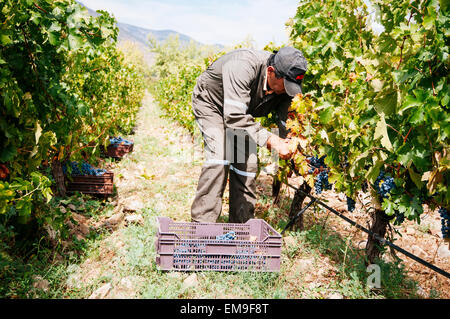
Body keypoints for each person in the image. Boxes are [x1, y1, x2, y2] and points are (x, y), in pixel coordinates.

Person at [190, 46, 308, 223]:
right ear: (271, 71)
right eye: (286, 85)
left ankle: (241, 227)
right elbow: (235, 118)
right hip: (212, 103)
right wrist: (273, 141)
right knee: (220, 155)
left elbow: (287, 123)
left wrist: (291, 145)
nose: (288, 90)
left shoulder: (286, 85)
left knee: (247, 164)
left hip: (241, 113)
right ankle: (202, 227)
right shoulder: (243, 66)